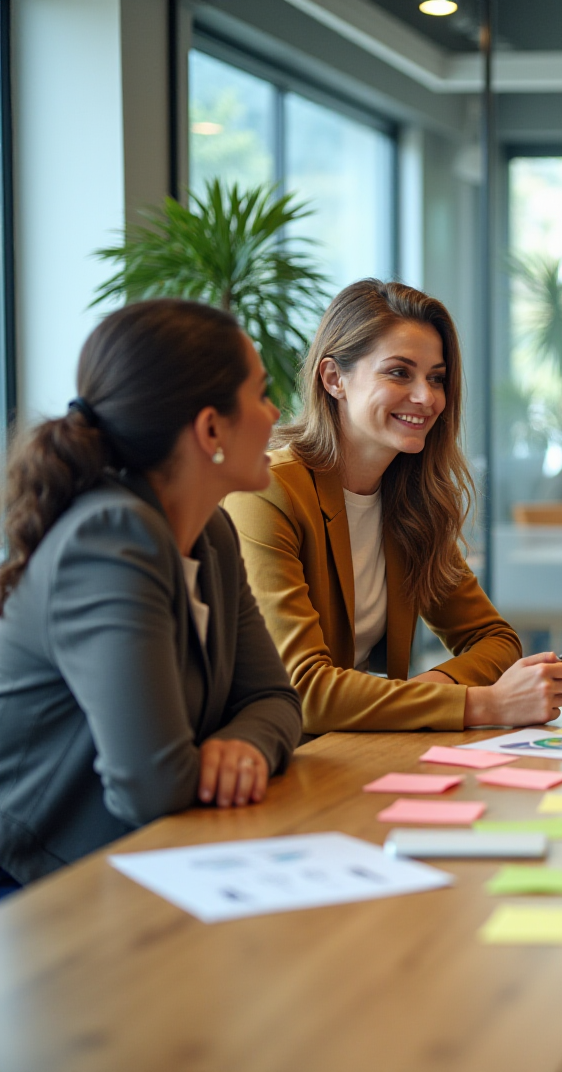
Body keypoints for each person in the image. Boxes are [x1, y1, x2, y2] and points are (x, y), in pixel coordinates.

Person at [0, 300, 303, 887]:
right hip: (38, 887)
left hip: (144, 862)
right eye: (261, 393)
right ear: (211, 428)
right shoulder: (110, 538)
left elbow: (275, 698)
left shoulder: (209, 530)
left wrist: (243, 744)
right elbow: (153, 785)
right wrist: (227, 753)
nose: (275, 413)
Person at [226, 280, 562, 733]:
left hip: (351, 752)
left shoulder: (410, 502)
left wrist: (433, 691)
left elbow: (495, 639)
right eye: (399, 373)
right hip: (266, 761)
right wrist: (479, 705)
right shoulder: (269, 491)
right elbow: (303, 690)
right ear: (334, 379)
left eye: (436, 378)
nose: (426, 397)